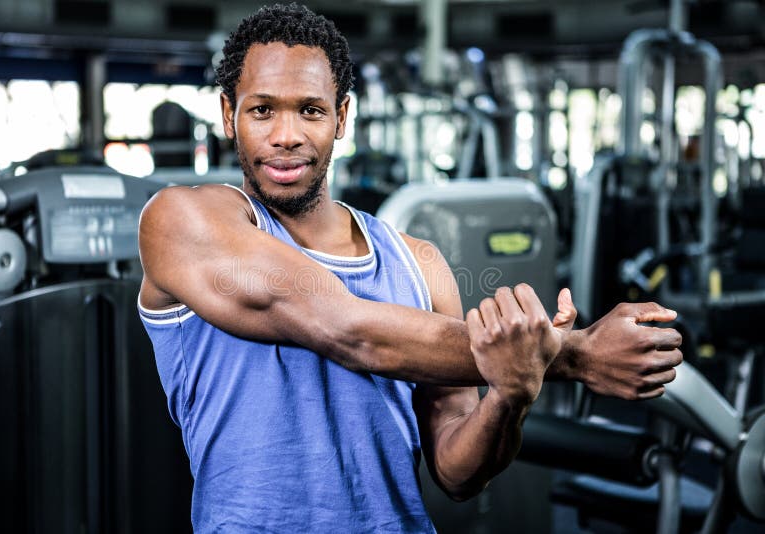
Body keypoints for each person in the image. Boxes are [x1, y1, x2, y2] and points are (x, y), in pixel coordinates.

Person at [137, 4, 683, 532]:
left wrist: (513, 390)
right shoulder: (178, 222)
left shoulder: (419, 262)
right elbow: (347, 328)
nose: (287, 135)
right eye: (262, 110)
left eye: (310, 109)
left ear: (342, 117)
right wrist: (576, 354)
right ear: (229, 115)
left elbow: (456, 472)